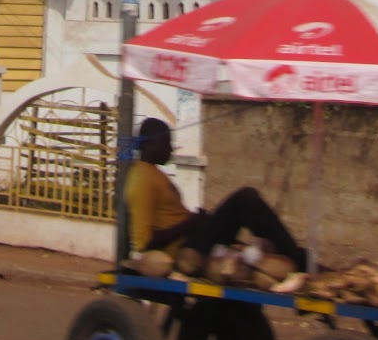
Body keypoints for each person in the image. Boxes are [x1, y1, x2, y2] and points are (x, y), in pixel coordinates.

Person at [125, 117, 305, 275]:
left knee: (246, 220)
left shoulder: (153, 173)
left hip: (193, 235)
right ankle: (297, 258)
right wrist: (190, 223)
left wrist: (196, 220)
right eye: (166, 143)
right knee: (245, 198)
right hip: (185, 248)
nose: (171, 149)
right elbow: (145, 241)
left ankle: (291, 257)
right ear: (149, 144)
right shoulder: (141, 179)